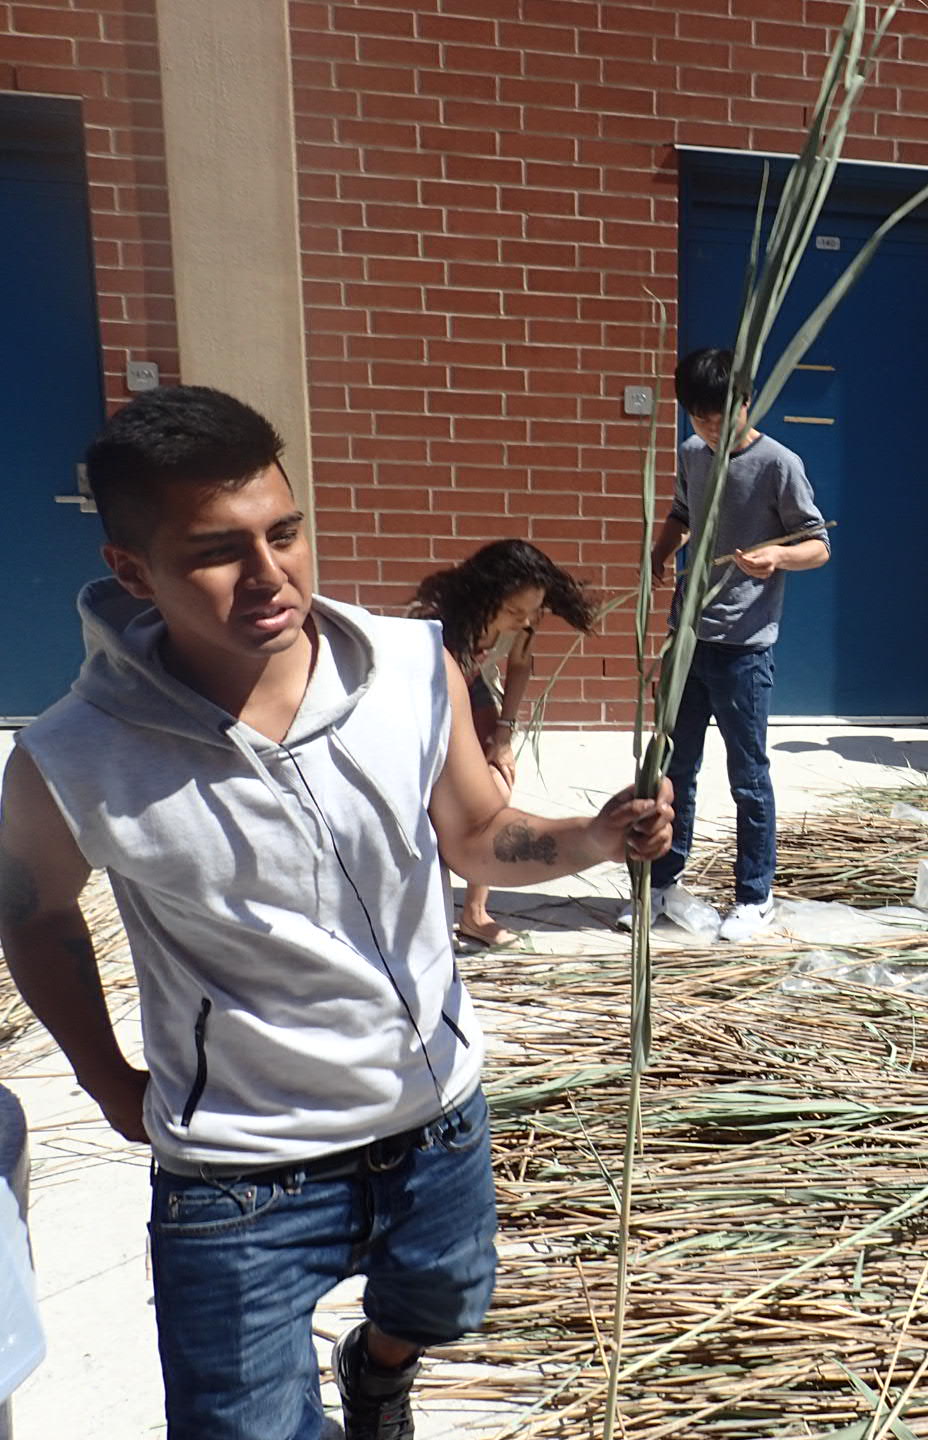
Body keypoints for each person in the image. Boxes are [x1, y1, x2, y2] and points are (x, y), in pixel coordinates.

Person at [0, 386, 675, 1440]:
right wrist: (107, 1081)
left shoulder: (411, 667)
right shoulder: (71, 756)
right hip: (240, 1174)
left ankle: (381, 1366)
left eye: (285, 531)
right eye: (217, 551)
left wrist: (593, 837)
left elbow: (475, 831)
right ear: (132, 571)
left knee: (448, 1301)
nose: (271, 577)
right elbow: (34, 917)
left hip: (433, 1119)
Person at [618, 346, 830, 944]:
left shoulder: (778, 464)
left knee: (748, 776)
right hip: (688, 638)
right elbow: (682, 513)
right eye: (697, 419)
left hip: (745, 646)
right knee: (673, 767)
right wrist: (661, 552)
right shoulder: (693, 454)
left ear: (744, 402)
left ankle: (754, 896)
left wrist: (777, 556)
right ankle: (661, 882)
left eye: (717, 418)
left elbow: (818, 543)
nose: (708, 430)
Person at [411, 539, 597, 947]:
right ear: (484, 596)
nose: (526, 620)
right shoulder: (435, 627)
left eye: (533, 611)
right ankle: (427, 915)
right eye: (515, 611)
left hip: (478, 694)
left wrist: (505, 734)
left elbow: (519, 664)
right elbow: (424, 701)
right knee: (434, 811)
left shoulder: (524, 619)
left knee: (498, 783)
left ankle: (475, 913)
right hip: (434, 702)